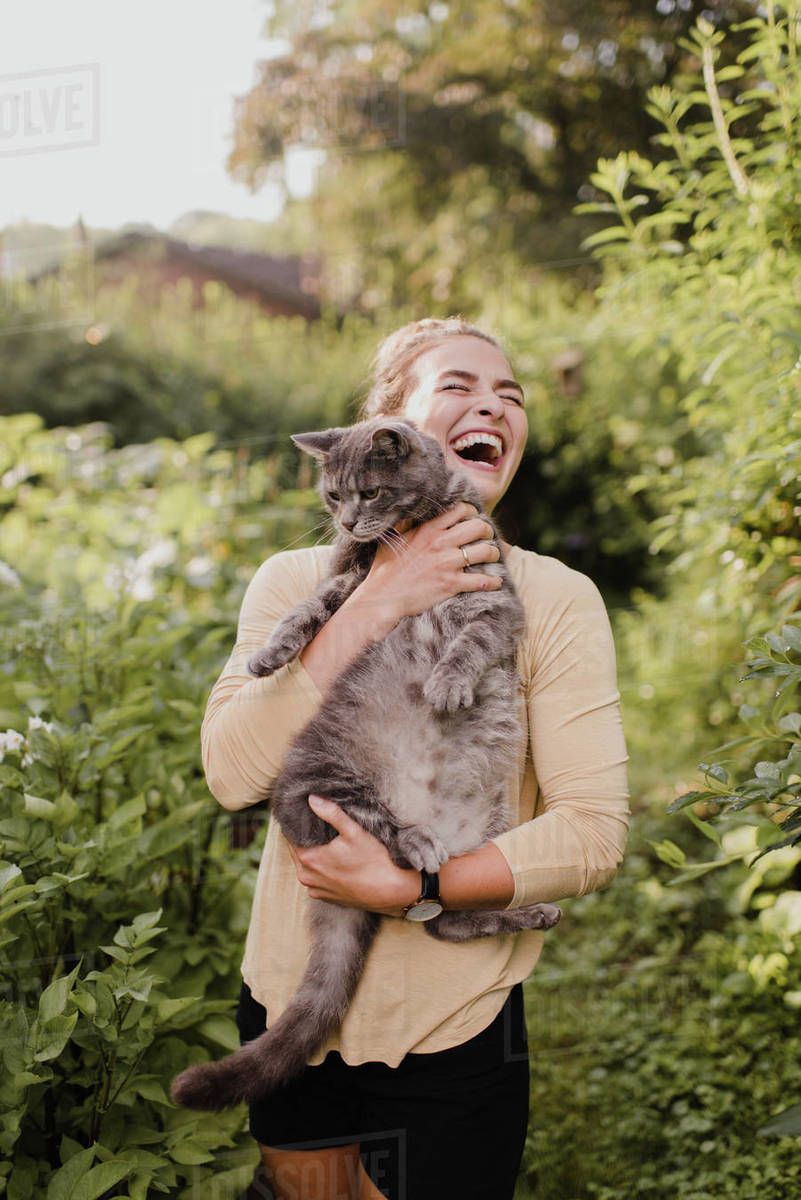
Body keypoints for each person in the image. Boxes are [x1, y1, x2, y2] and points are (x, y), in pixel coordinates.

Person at [201, 317, 630, 1200]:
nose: (493, 406)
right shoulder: (290, 581)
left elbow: (591, 833)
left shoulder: (553, 597)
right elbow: (232, 773)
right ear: (387, 423)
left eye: (509, 395)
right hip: (291, 998)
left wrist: (418, 890)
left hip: (454, 1030)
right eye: (460, 387)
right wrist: (376, 600)